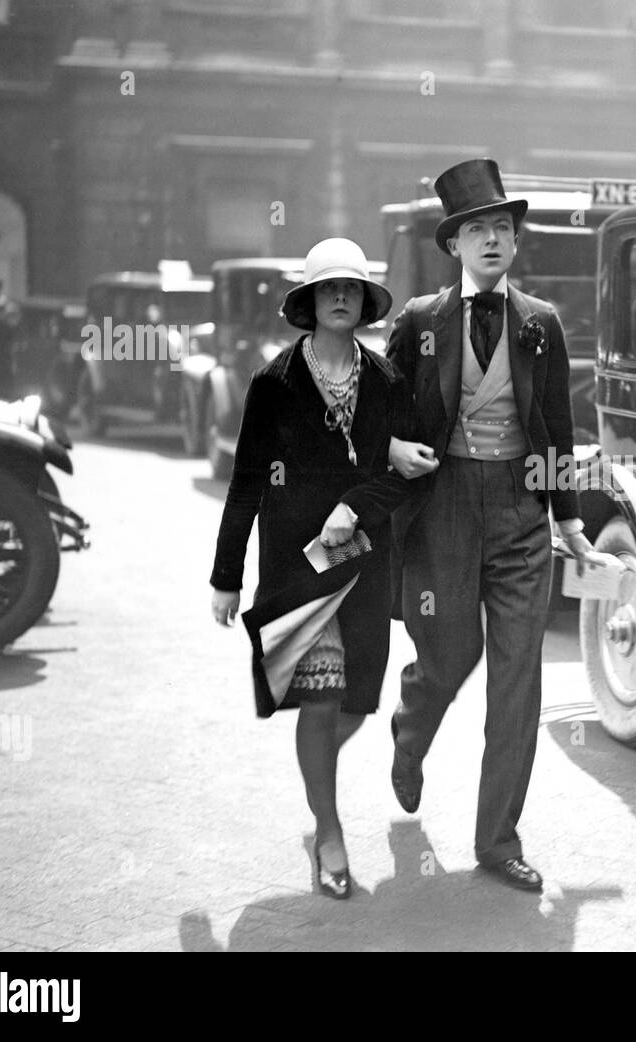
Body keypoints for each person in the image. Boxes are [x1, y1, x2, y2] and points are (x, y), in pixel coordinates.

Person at [384, 158, 602, 891]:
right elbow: (376, 415)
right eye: (477, 230)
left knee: (519, 679)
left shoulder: (541, 323)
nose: (491, 241)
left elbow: (559, 428)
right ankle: (411, 729)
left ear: (515, 242)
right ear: (454, 245)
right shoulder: (418, 321)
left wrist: (569, 521)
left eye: (502, 229)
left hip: (519, 511)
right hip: (442, 506)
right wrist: (391, 449)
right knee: (450, 654)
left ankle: (498, 840)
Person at [209, 238, 413, 900]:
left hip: (363, 567)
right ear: (310, 302)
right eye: (329, 289)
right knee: (318, 702)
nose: (340, 297)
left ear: (363, 302)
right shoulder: (275, 384)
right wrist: (226, 576)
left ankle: (318, 774)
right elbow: (245, 482)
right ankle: (328, 830)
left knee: (358, 701)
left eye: (351, 288)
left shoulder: (384, 381)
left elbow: (397, 479)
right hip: (296, 573)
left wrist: (354, 508)